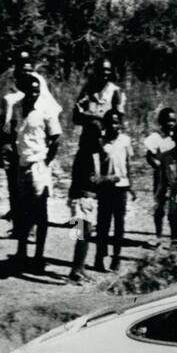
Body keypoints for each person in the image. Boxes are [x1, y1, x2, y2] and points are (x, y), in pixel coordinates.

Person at [6, 69, 62, 273]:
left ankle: (39, 255)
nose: (34, 95)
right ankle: (22, 252)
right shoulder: (17, 109)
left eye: (37, 92)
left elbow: (56, 138)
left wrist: (46, 160)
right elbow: (9, 132)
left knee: (40, 211)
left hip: (39, 164)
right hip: (22, 164)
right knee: (22, 211)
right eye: (30, 92)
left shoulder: (45, 110)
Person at [93, 110, 132, 272]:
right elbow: (97, 168)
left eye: (117, 123)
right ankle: (100, 257)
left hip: (121, 187)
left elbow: (128, 163)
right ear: (105, 125)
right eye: (110, 123)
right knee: (103, 224)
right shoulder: (101, 142)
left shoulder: (125, 141)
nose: (114, 126)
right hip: (106, 188)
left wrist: (131, 185)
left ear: (121, 124)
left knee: (119, 225)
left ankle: (117, 257)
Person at [66, 134, 102, 284]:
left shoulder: (91, 156)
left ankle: (79, 268)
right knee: (81, 235)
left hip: (86, 200)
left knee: (85, 236)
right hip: (79, 200)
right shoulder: (84, 156)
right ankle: (75, 271)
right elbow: (89, 180)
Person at [142, 107, 177, 245]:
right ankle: (159, 236)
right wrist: (160, 166)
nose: (171, 123)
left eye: (173, 120)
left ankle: (175, 237)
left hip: (176, 176)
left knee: (174, 208)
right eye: (168, 120)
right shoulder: (156, 137)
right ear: (162, 122)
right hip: (161, 177)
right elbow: (149, 156)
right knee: (160, 206)